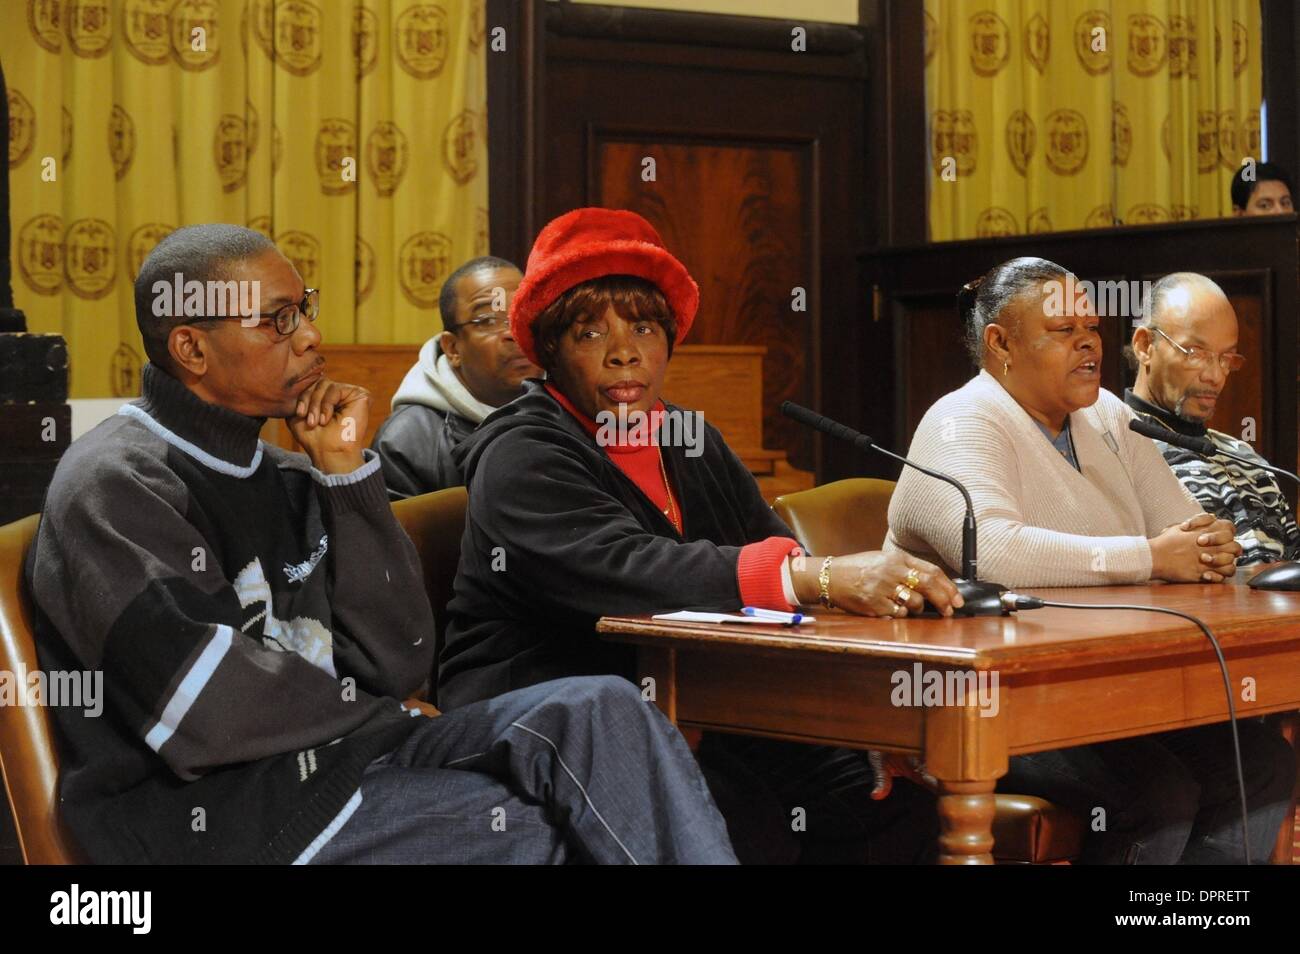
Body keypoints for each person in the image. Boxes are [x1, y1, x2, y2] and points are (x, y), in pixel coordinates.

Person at [26, 223, 737, 865]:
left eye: (303, 306)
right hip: (222, 821)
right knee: (536, 830)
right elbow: (203, 713)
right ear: (192, 348)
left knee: (603, 708)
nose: (308, 335)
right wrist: (379, 713)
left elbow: (400, 659)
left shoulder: (288, 473)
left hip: (350, 759)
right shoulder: (116, 482)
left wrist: (347, 480)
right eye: (277, 321)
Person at [438, 207, 964, 864]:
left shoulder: (687, 437)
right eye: (589, 332)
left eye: (644, 327)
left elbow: (774, 551)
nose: (624, 350)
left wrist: (858, 713)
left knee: (890, 808)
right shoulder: (521, 451)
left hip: (707, 702)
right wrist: (815, 576)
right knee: (745, 821)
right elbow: (625, 572)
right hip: (559, 707)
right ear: (548, 350)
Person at [886, 256, 1295, 863]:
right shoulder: (959, 423)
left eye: (1092, 329)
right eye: (1063, 331)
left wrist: (1200, 547)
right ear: (1000, 343)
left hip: (1101, 680)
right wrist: (1153, 556)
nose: (1087, 345)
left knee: (1260, 765)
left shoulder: (1106, 416)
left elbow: (1189, 529)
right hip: (983, 699)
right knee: (1158, 792)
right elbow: (994, 549)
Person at [1126, 272, 1299, 565]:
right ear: (1145, 346)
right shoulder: (1111, 447)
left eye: (1226, 358)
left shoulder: (1246, 458)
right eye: (1196, 353)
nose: (1215, 376)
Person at [372, 256, 541, 497]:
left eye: (522, 315)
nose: (513, 333)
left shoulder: (573, 406)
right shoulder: (404, 442)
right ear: (452, 348)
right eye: (489, 320)